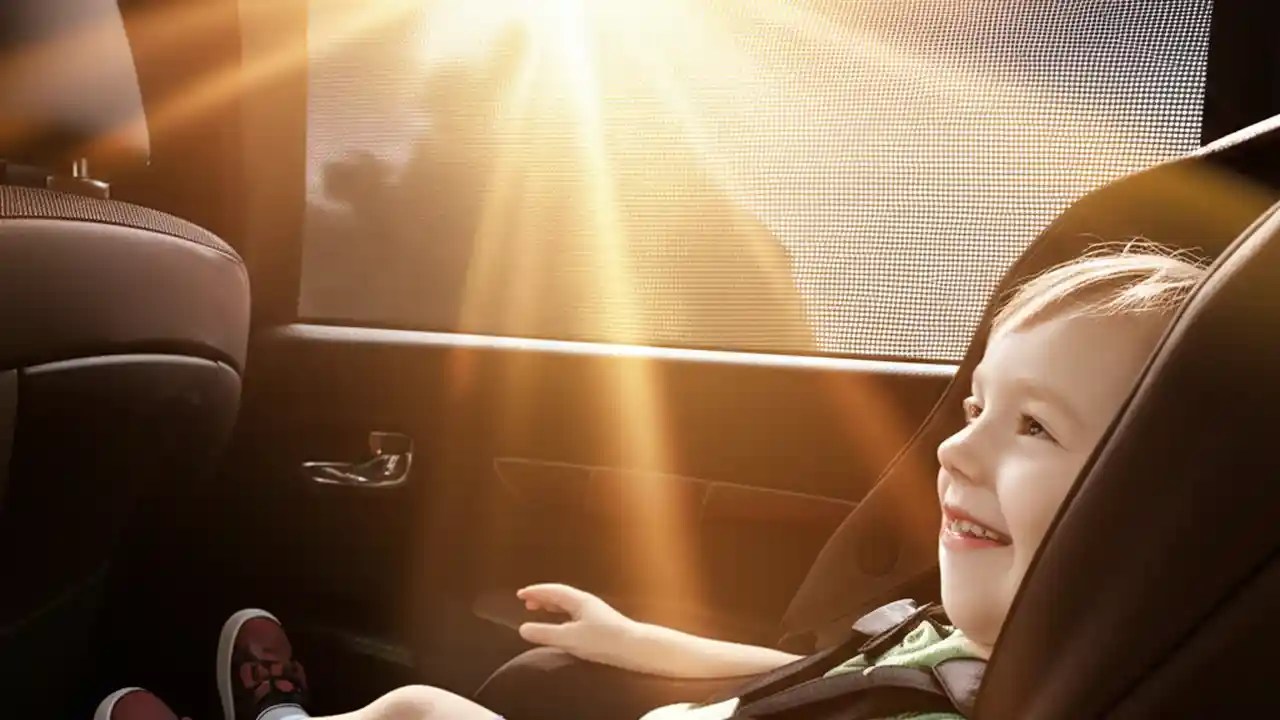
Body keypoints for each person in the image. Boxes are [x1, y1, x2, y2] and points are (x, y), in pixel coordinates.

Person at [96, 243, 1207, 719]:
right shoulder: (987, 650)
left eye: (1032, 427)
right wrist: (636, 640)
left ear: (1157, 514)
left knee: (419, 707)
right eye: (973, 409)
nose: (957, 453)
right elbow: (818, 671)